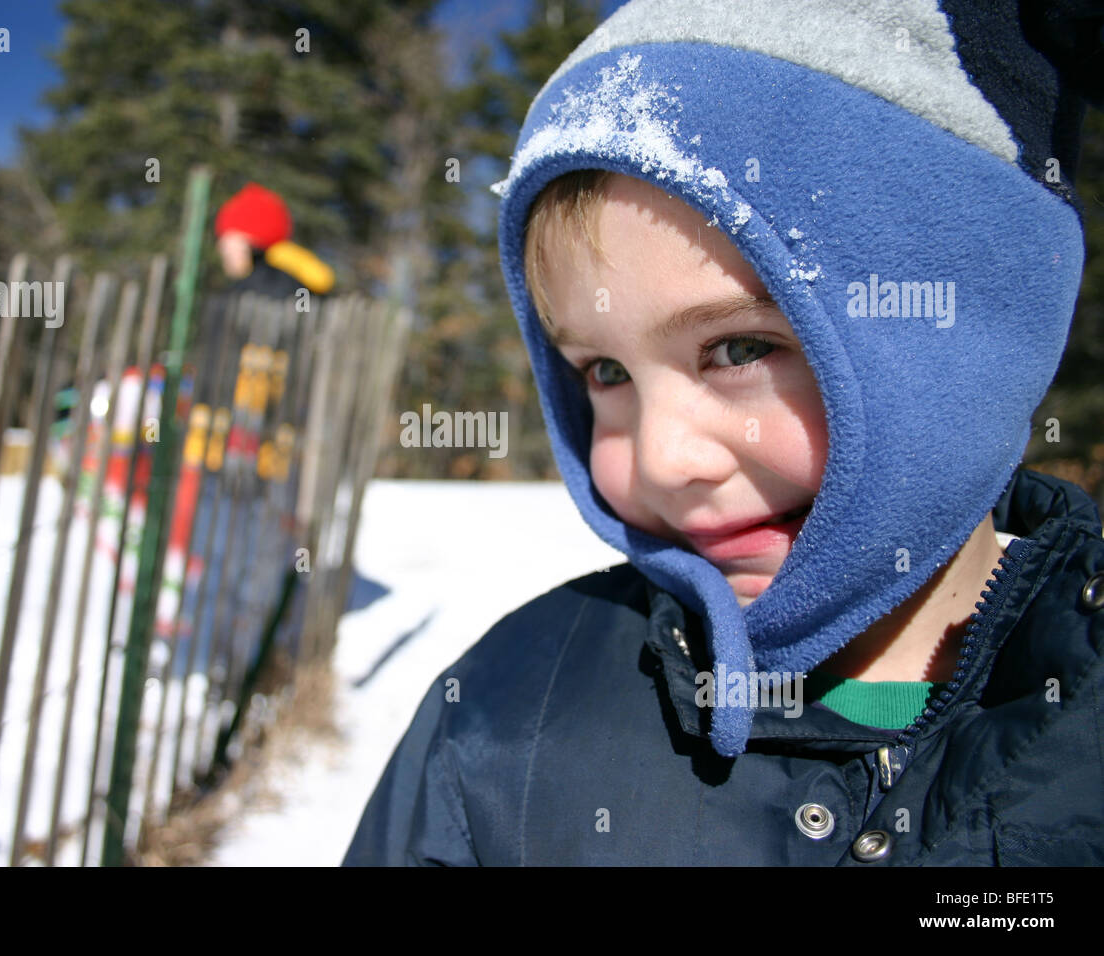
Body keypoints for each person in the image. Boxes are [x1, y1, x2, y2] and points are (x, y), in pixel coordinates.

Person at [342, 0, 1104, 865]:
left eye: (739, 348)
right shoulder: (501, 732)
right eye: (606, 373)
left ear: (970, 337)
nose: (664, 460)